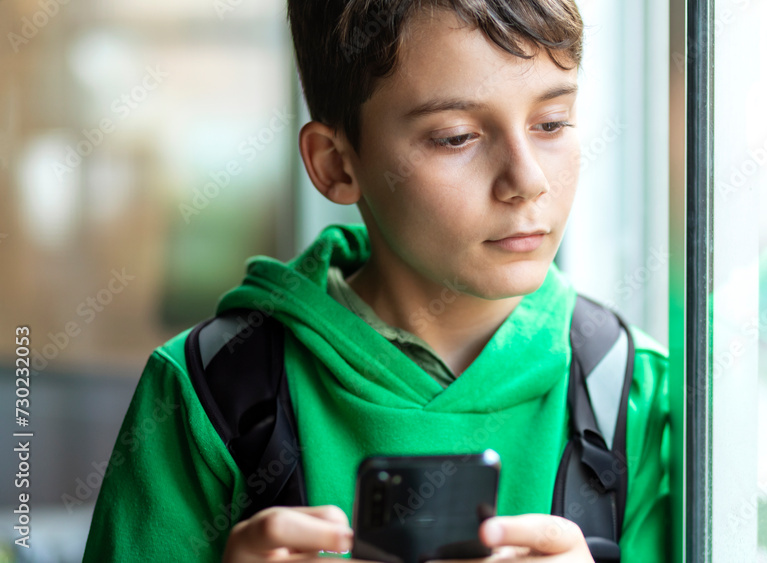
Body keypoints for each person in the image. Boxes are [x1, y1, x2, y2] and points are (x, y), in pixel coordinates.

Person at [81, 1, 672, 561]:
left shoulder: (633, 391)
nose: (527, 179)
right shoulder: (207, 389)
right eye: (456, 137)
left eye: (551, 122)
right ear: (336, 164)